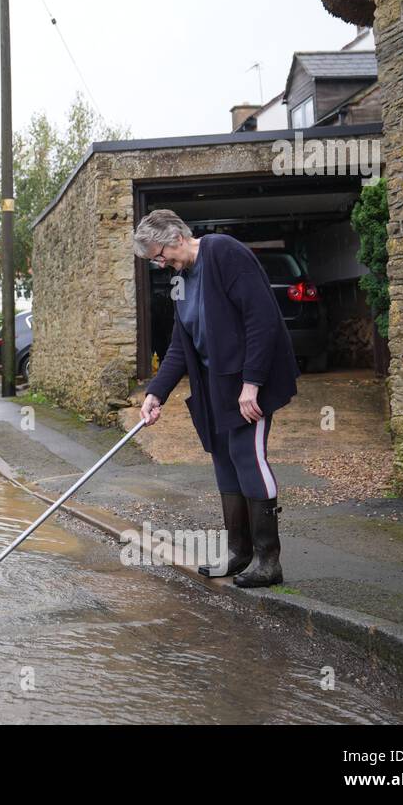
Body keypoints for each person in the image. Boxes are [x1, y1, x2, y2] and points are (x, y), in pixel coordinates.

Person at [135, 210, 300, 587]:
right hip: (215, 385)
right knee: (225, 461)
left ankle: (268, 559)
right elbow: (180, 344)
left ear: (176, 236)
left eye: (159, 255)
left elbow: (262, 318)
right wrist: (155, 393)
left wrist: (252, 383)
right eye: (154, 261)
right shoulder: (182, 279)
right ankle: (239, 553)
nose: (160, 264)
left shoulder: (223, 252)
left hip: (248, 383)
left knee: (248, 456)